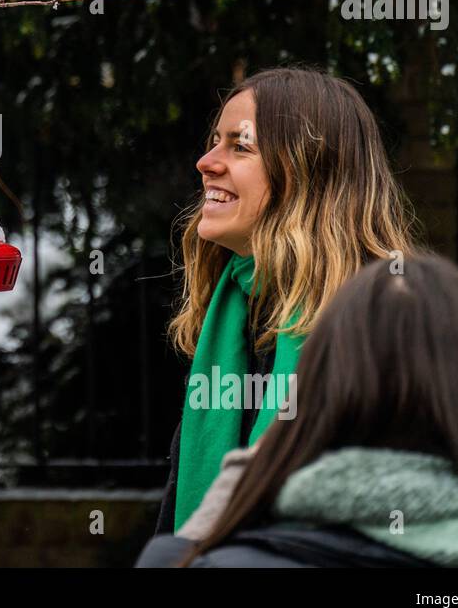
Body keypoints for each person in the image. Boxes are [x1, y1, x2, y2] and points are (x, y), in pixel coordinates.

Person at [138, 254, 458, 567]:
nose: (207, 163)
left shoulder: (226, 558)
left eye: (242, 146)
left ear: (323, 387)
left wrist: (188, 545)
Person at [155, 66, 418, 535]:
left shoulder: (379, 335)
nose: (206, 161)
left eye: (240, 146)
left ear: (308, 173)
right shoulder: (236, 314)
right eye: (215, 140)